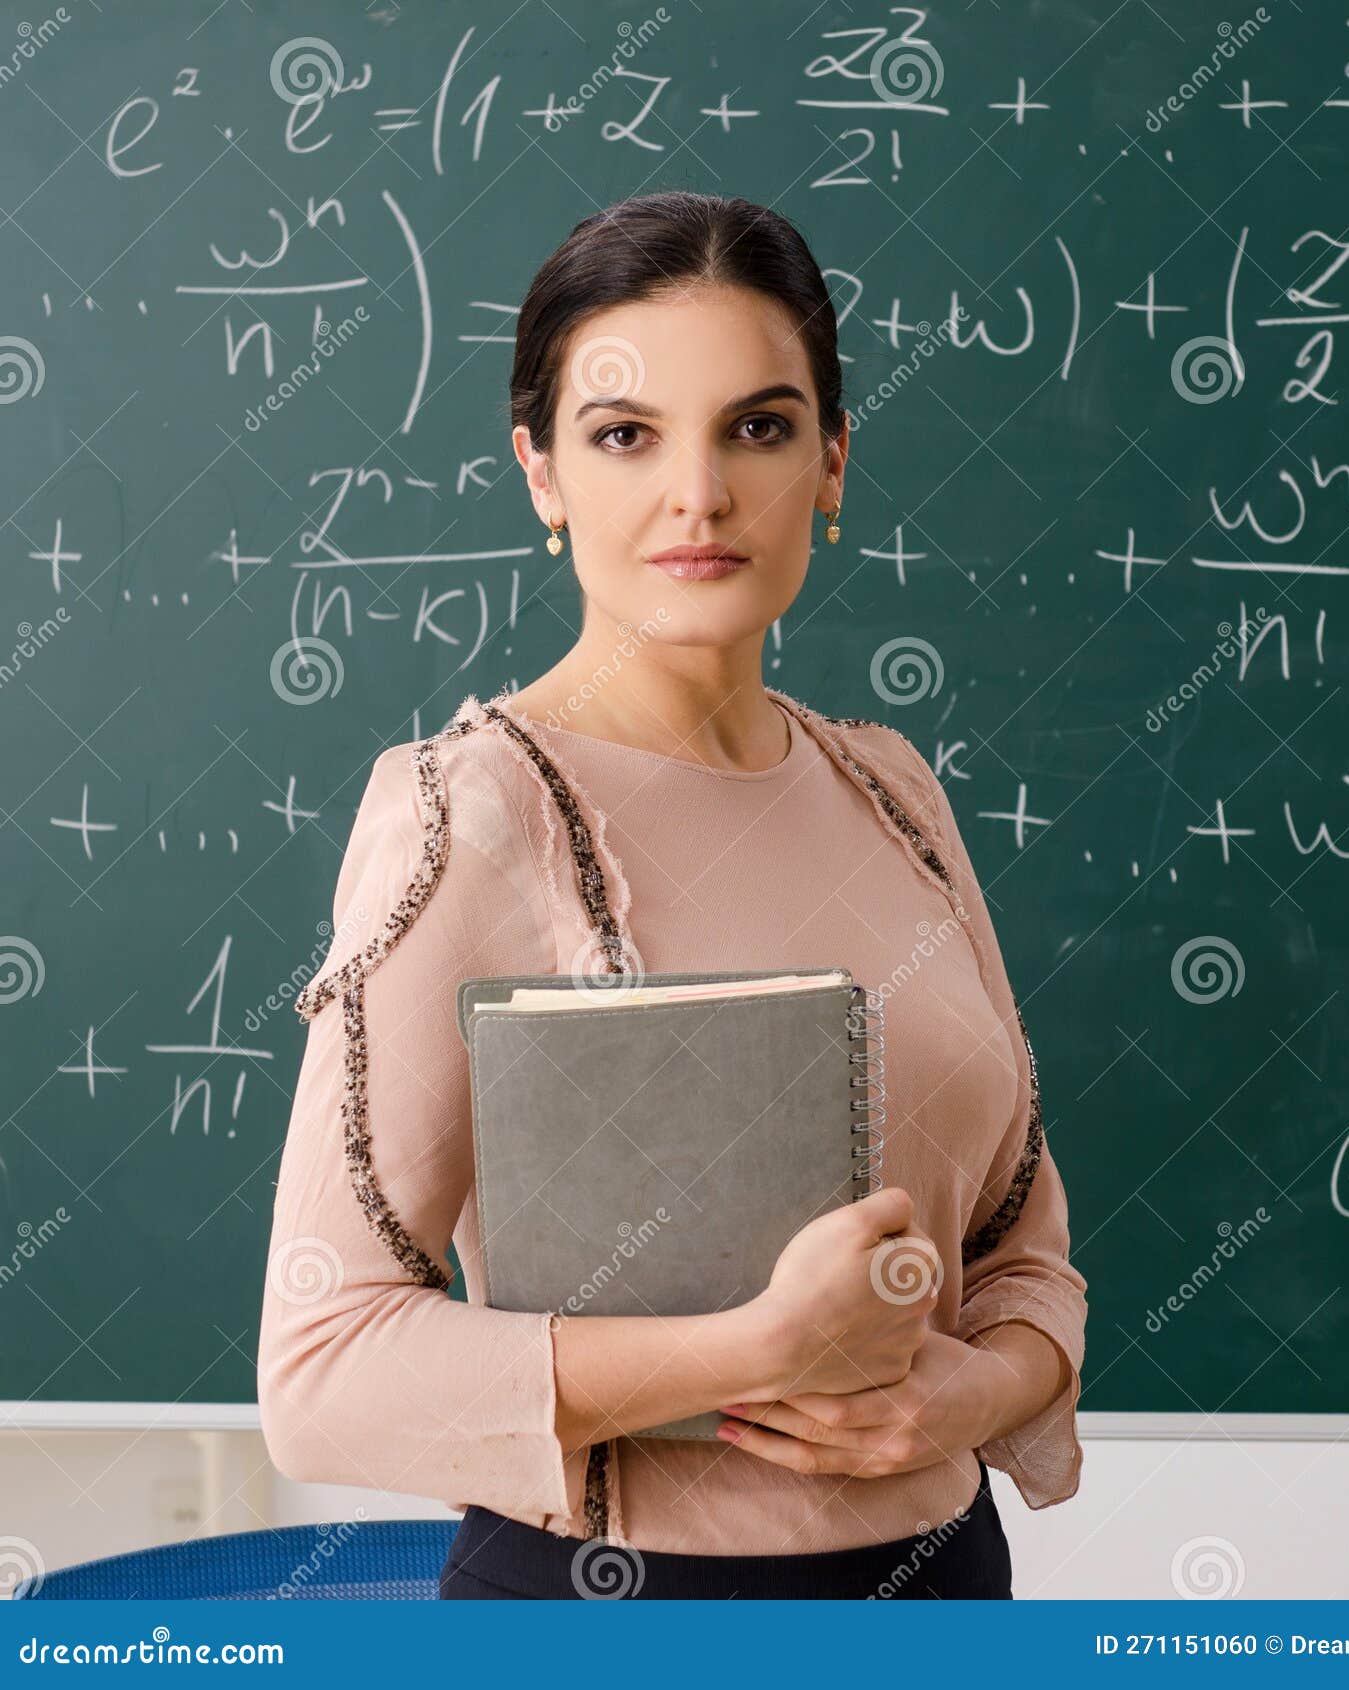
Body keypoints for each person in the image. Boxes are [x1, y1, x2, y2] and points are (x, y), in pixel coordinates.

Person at [257, 191, 1087, 1601]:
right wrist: (758, 1352)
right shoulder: (473, 809)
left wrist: (965, 1396)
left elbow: (1020, 1248)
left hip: (948, 1588)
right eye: (625, 435)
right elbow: (324, 1364)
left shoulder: (894, 791)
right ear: (542, 472)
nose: (697, 493)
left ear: (831, 461)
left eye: (758, 428)